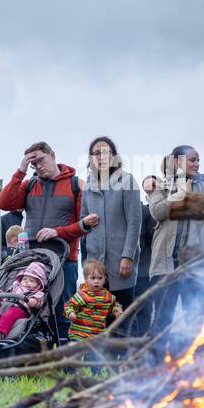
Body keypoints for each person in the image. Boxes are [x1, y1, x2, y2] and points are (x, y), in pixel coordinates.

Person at [0, 141, 94, 341]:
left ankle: (67, 364)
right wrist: (21, 170)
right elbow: (4, 202)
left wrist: (57, 232)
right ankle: (37, 355)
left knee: (62, 313)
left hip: (63, 259)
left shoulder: (75, 185)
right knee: (28, 309)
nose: (38, 167)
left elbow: (84, 225)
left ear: (52, 154)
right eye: (33, 164)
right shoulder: (31, 184)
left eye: (40, 160)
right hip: (32, 260)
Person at [147, 146, 204, 340]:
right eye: (192, 160)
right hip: (164, 265)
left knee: (195, 319)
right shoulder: (162, 188)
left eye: (198, 160)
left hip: (195, 266)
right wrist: (180, 195)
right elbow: (157, 212)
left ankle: (193, 366)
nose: (197, 164)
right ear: (176, 162)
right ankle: (154, 364)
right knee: (162, 320)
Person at [79, 136, 141, 319]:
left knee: (123, 318)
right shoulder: (88, 185)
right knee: (98, 321)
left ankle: (128, 349)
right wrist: (86, 221)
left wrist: (128, 256)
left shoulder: (127, 181)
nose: (101, 157)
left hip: (120, 261)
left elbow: (135, 222)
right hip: (95, 265)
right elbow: (83, 218)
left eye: (106, 152)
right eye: (96, 153)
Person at [0, 260, 48, 341]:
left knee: (10, 313)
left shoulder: (37, 293)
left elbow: (36, 302)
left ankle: (1, 333)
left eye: (31, 281)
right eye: (25, 279)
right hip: (5, 306)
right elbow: (5, 297)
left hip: (20, 310)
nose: (27, 281)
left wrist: (31, 301)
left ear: (39, 284)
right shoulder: (15, 287)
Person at [64, 259, 123, 342]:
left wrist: (117, 310)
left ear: (105, 279)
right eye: (93, 278)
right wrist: (70, 313)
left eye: (100, 278)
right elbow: (69, 305)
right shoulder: (82, 295)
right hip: (79, 335)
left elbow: (114, 305)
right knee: (78, 354)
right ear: (86, 279)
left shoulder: (107, 296)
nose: (96, 281)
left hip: (98, 336)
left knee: (94, 354)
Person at [129, 176, 158, 336]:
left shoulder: (146, 212)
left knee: (144, 312)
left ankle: (140, 349)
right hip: (122, 273)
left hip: (143, 272)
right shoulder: (138, 210)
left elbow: (153, 240)